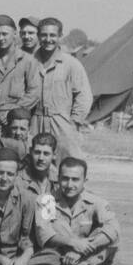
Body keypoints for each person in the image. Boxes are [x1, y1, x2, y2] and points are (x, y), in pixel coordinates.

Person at [35, 157, 120, 265]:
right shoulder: (47, 200)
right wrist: (74, 243)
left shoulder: (95, 201)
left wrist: (79, 251)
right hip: (57, 257)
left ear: (84, 181)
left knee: (111, 237)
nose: (69, 184)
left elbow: (113, 228)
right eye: (65, 178)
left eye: (75, 179)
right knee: (58, 227)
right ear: (58, 178)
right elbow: (43, 235)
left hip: (82, 256)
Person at [28, 17, 92, 160]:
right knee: (34, 161)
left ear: (60, 36)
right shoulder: (29, 62)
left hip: (62, 122)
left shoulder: (71, 64)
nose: (48, 39)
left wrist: (74, 122)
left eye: (52, 35)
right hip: (35, 121)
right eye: (44, 35)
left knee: (68, 162)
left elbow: (84, 96)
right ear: (38, 36)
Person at [17, 132, 59, 203]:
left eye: (46, 154)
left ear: (54, 155)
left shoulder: (58, 181)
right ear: (30, 151)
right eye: (37, 152)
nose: (41, 158)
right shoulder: (18, 180)